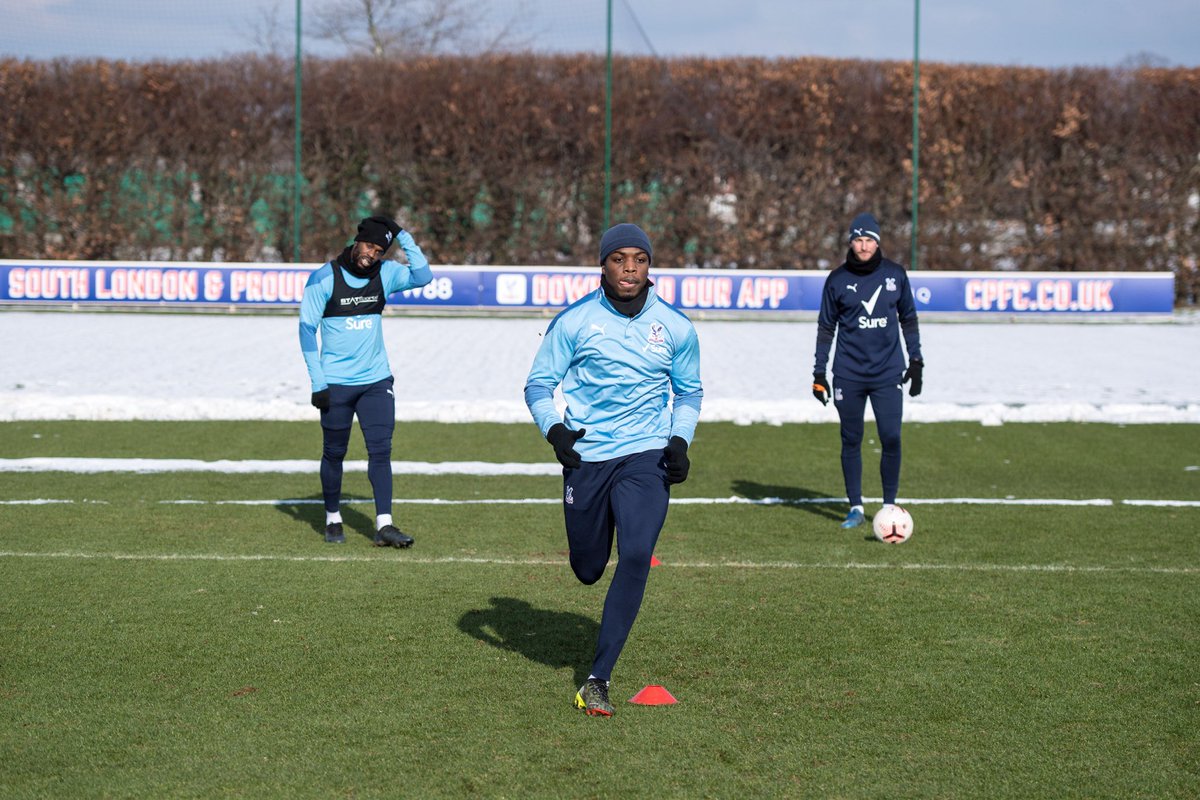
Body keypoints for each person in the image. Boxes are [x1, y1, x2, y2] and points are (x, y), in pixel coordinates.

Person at [524, 223, 703, 717]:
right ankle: (589, 552)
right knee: (586, 569)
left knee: (638, 552)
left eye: (639, 259)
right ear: (602, 265)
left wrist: (680, 441)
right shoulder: (575, 321)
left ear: (650, 266)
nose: (630, 268)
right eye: (619, 258)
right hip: (588, 457)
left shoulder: (675, 327)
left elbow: (689, 391)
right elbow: (538, 386)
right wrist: (556, 432)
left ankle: (597, 678)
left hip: (646, 455)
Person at [299, 215, 433, 547]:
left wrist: (402, 235)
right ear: (356, 240)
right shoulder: (324, 278)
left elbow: (423, 275)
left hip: (375, 381)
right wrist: (318, 383)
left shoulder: (386, 274)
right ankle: (332, 518)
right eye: (369, 246)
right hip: (336, 385)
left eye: (379, 250)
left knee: (381, 451)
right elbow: (305, 329)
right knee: (334, 452)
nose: (371, 255)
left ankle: (385, 525)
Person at [812, 212, 923, 529]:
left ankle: (889, 505)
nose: (863, 246)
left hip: (888, 372)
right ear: (851, 242)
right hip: (848, 373)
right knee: (851, 438)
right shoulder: (837, 280)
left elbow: (909, 320)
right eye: (858, 240)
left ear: (878, 242)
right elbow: (825, 329)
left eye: (869, 240)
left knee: (891, 437)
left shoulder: (895, 275)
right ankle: (856, 508)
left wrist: (916, 361)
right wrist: (819, 373)